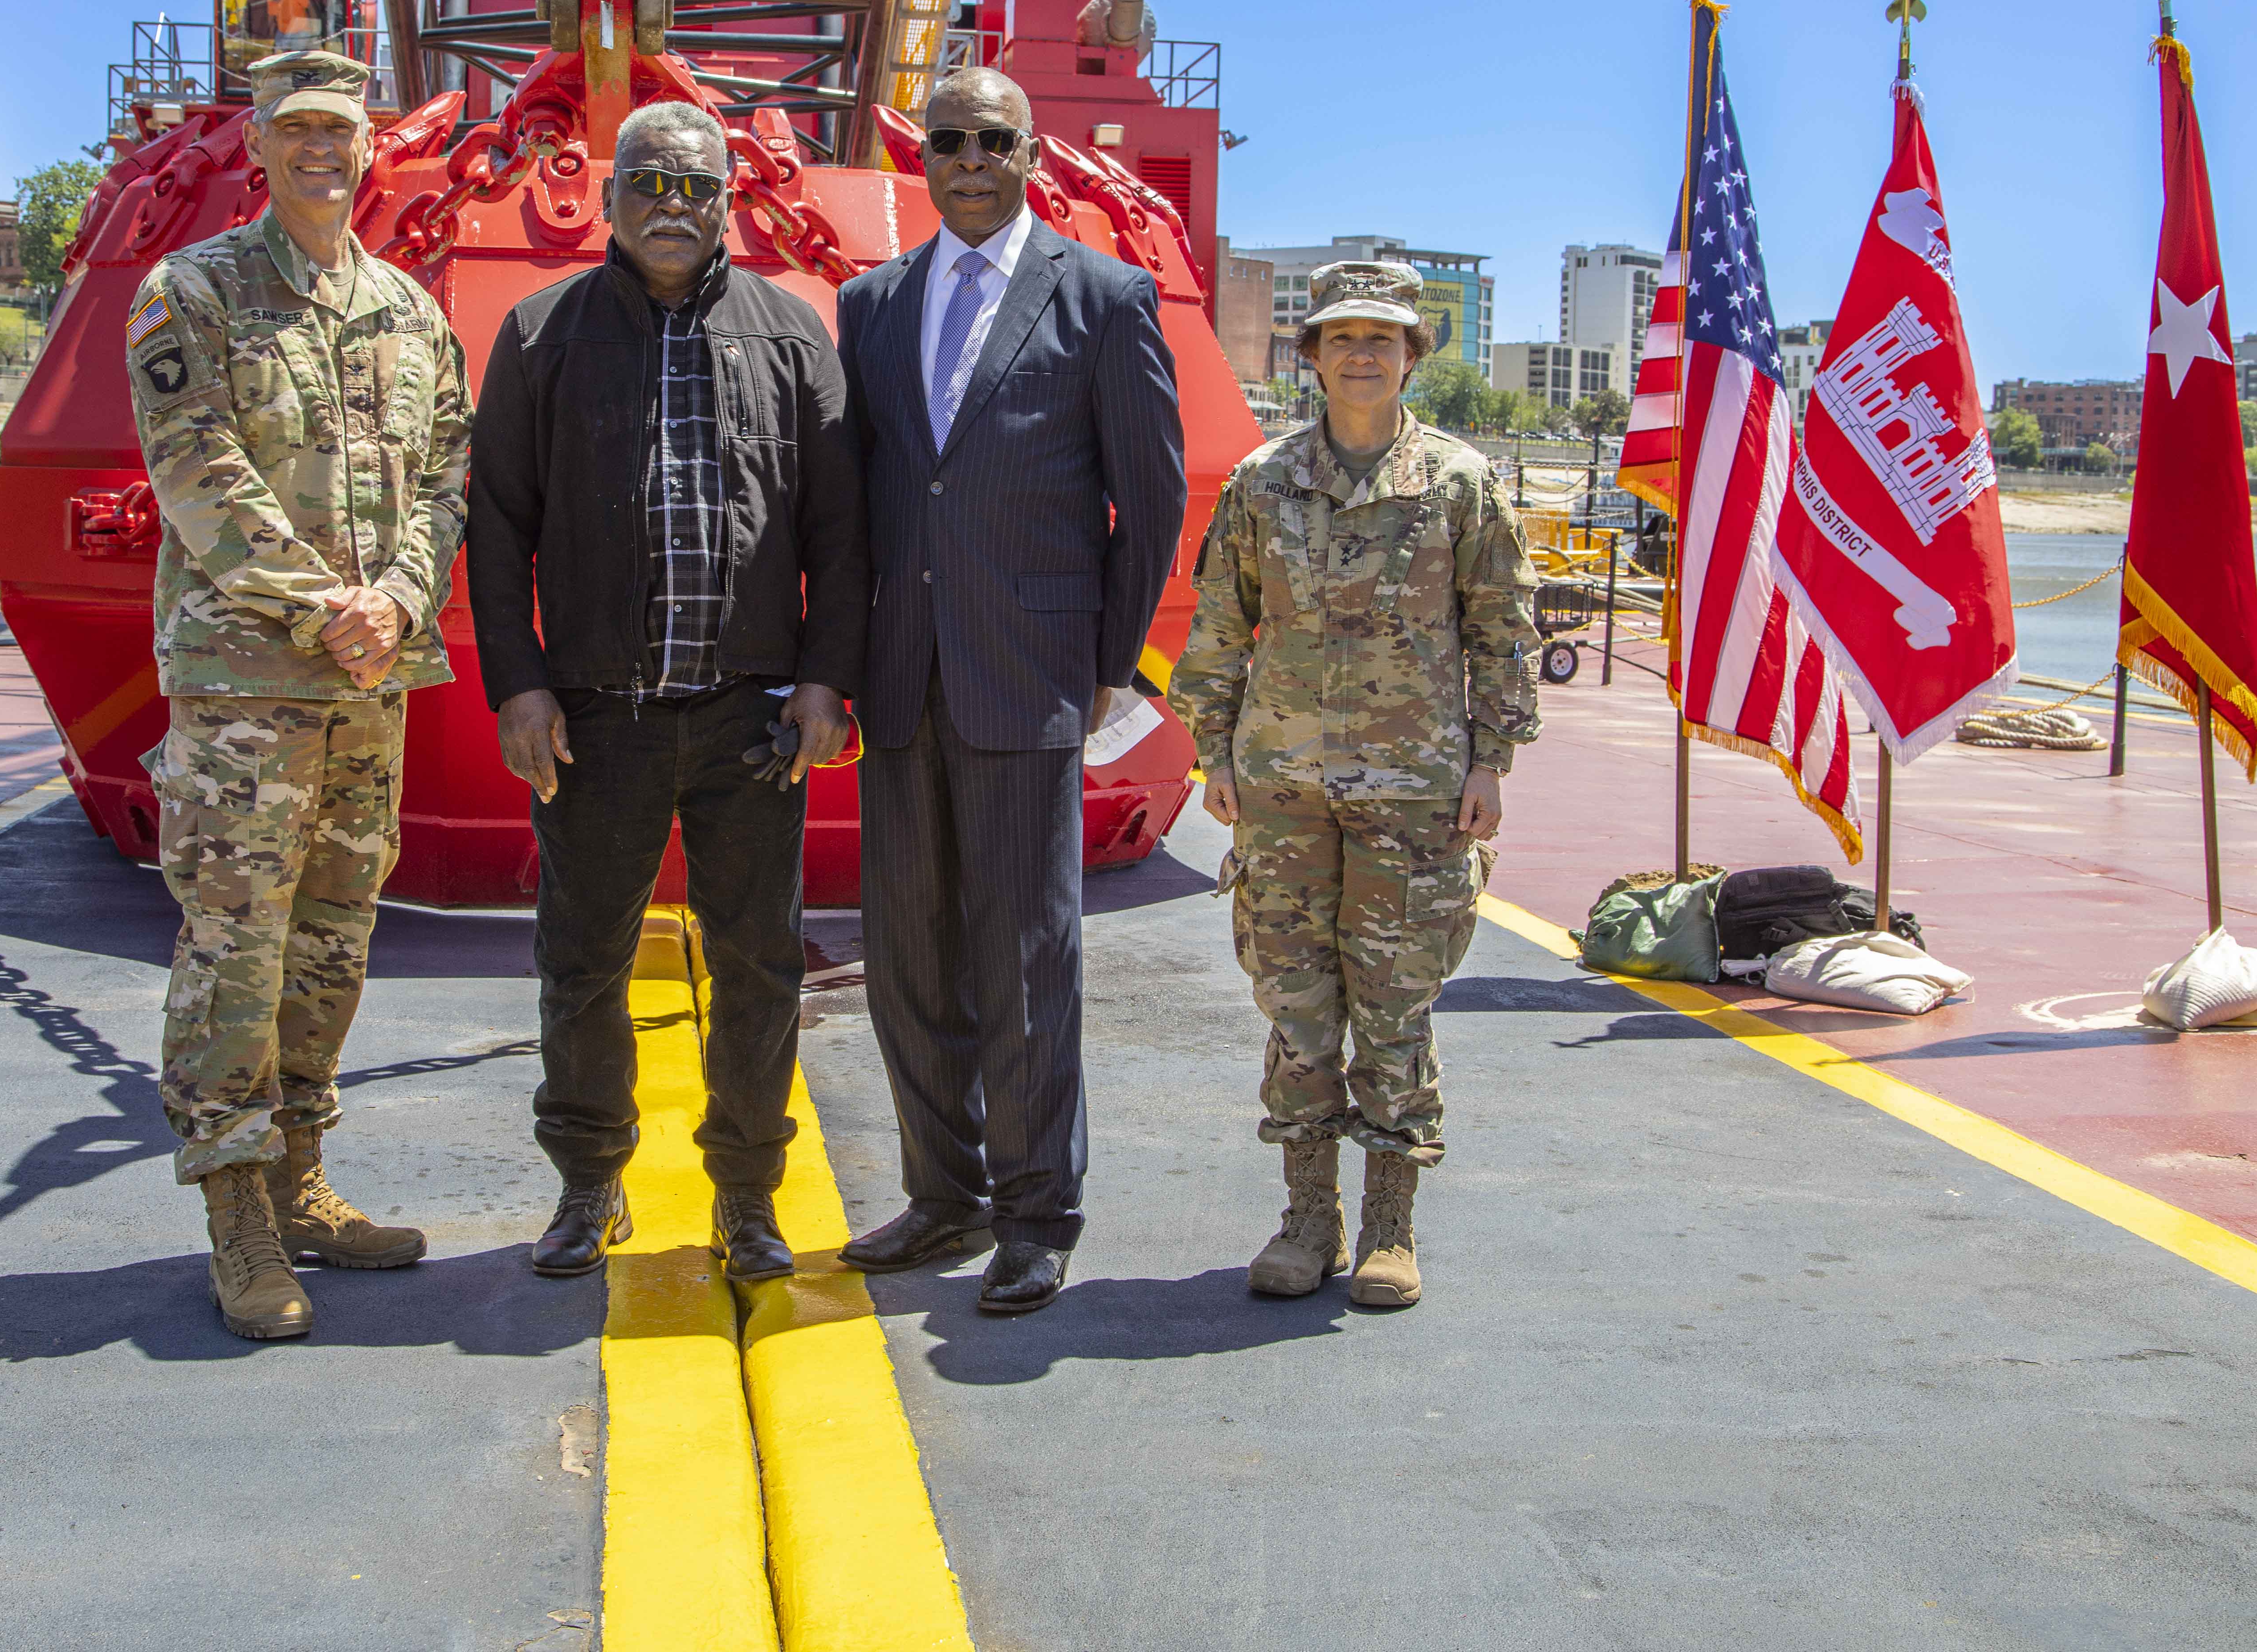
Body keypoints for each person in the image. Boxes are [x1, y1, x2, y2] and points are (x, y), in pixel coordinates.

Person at [465, 99, 868, 1283]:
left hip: (750, 721)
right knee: (582, 959)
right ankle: (591, 1185)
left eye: (697, 187)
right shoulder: (542, 336)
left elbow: (841, 536)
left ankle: (748, 1194)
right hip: (597, 721)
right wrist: (520, 684)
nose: (673, 206)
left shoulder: (795, 337)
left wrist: (823, 681)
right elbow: (497, 527)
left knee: (759, 965)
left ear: (729, 199)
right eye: (650, 183)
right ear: (609, 198)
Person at [127, 48, 472, 1340]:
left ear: (370, 145)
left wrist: (396, 596)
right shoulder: (196, 292)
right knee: (234, 941)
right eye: (298, 130)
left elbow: (449, 472)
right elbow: (198, 467)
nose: (322, 149)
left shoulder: (410, 311)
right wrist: (320, 602)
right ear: (261, 148)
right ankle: (236, 1214)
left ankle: (302, 1174)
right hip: (248, 687)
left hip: (369, 676)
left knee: (334, 932)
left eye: (342, 128)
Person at [833, 67, 1185, 1316]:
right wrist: (838, 670)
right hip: (900, 679)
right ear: (920, 158)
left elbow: (1148, 504)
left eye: (993, 139)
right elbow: (860, 503)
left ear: (1030, 151)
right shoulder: (868, 305)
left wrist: (1103, 665)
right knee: (909, 954)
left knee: (1029, 954)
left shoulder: (1102, 297)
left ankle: (1038, 1214)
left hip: (1029, 676)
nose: (969, 159)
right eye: (947, 141)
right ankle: (945, 1194)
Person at [1168, 259, 1541, 1310]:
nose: (1363, 353)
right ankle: (1306, 1217)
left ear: (1413, 355)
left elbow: (1503, 633)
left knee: (1395, 1006)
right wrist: (1216, 748)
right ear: (1315, 358)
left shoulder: (1461, 482)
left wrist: (1490, 761)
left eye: (1383, 337)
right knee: (1296, 1004)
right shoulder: (1262, 481)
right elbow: (1221, 626)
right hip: (1284, 786)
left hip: (1417, 790)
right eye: (1343, 338)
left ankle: (1389, 1223)